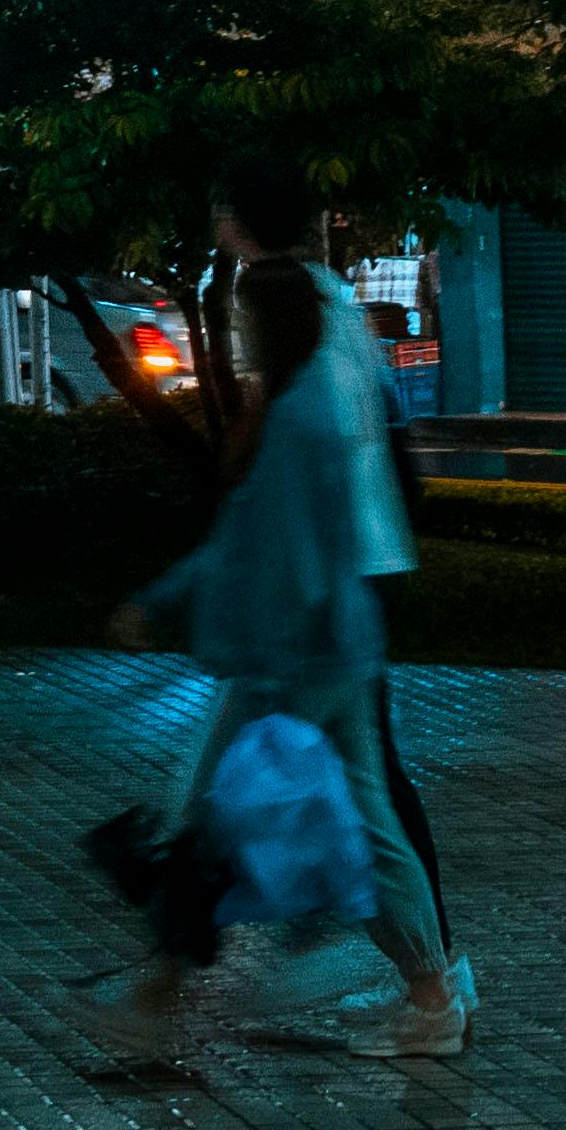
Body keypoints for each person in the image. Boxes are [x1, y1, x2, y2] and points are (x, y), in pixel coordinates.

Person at [97, 243, 466, 1070]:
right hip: (331, 652)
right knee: (365, 830)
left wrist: (169, 609)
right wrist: (163, 599)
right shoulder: (297, 409)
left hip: (299, 661)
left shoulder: (296, 421)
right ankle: (430, 996)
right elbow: (250, 546)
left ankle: (156, 996)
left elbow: (282, 555)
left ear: (268, 324)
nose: (231, 330)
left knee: (213, 819)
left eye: (238, 317)